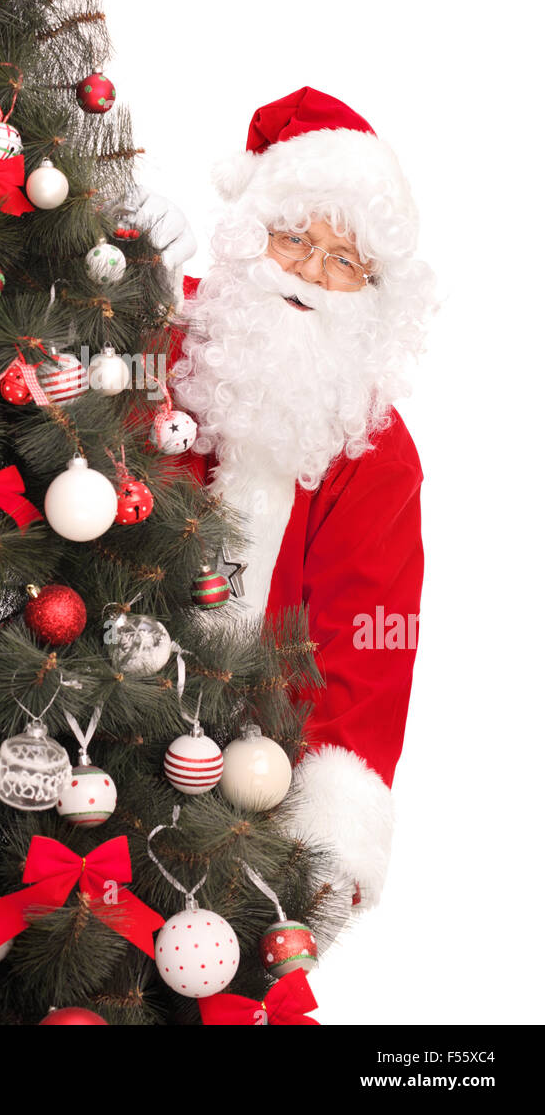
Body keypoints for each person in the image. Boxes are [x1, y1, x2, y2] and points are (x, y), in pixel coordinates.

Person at [173, 86, 437, 912]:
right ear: (253, 238)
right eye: (296, 241)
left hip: (248, 778)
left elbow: (369, 641)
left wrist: (324, 834)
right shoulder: (147, 353)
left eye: (344, 262)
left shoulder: (377, 455)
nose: (312, 277)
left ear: (372, 293)